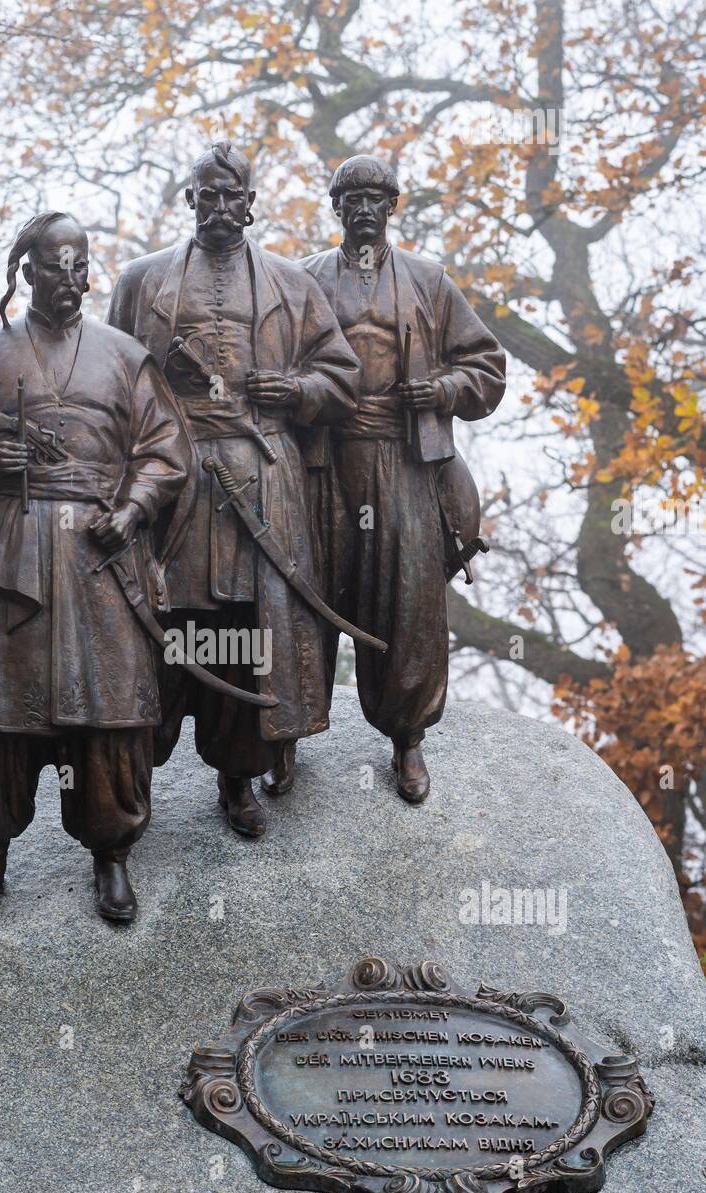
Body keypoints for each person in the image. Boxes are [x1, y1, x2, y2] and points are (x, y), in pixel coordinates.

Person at [0, 212, 191, 923]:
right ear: (25, 271)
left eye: (80, 266)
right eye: (54, 266)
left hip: (100, 556)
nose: (70, 280)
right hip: (8, 558)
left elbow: (166, 453)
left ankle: (111, 854)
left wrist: (131, 508)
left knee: (112, 713)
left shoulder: (124, 357)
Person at [108, 141, 361, 835]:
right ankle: (135, 775)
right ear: (187, 200)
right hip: (172, 473)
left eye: (233, 196)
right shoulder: (140, 281)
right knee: (162, 620)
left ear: (251, 204)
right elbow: (108, 381)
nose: (220, 208)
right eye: (206, 195)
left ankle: (237, 778)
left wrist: (297, 388)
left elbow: (342, 379)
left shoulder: (290, 284)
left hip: (261, 470)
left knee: (249, 630)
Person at [297, 154, 506, 803]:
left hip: (405, 463)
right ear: (336, 209)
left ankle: (407, 741)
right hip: (324, 465)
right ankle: (282, 737)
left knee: (408, 604)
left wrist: (443, 387)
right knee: (304, 597)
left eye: (374, 197)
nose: (363, 207)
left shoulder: (427, 281)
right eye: (350, 197)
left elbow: (488, 368)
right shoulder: (304, 281)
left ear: (391, 206)